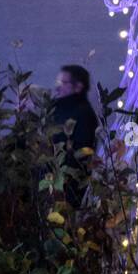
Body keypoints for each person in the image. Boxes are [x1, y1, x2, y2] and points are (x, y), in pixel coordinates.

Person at [51, 64, 98, 205]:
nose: (58, 87)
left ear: (78, 87)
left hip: (68, 189)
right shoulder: (58, 108)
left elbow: (80, 155)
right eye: (57, 82)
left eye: (63, 83)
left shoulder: (83, 115)